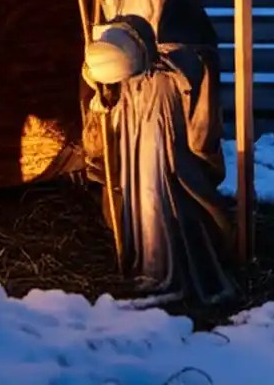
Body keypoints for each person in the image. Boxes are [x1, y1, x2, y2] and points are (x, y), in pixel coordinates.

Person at [85, 15, 235, 304]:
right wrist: (102, 96)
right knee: (140, 206)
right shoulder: (129, 79)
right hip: (134, 153)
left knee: (160, 205)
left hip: (163, 156)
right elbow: (109, 108)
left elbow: (200, 75)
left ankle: (168, 271)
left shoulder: (174, 74)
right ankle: (147, 265)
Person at [80, 0, 223, 198]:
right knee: (130, 192)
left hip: (161, 113)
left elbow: (198, 52)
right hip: (128, 109)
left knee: (158, 191)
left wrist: (142, 57)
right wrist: (99, 78)